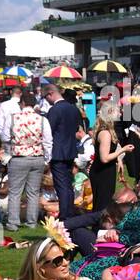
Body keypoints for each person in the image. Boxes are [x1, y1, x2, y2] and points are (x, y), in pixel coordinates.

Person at [1, 93, 51, 230]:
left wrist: (9, 150)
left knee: (15, 192)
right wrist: (47, 158)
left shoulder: (12, 118)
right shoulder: (42, 120)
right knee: (33, 192)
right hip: (37, 157)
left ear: (22, 103)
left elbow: (5, 136)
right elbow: (47, 141)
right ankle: (31, 222)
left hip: (18, 157)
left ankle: (13, 223)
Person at [45, 85, 84, 218]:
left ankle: (65, 214)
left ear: (51, 94)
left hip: (58, 152)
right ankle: (69, 211)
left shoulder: (55, 110)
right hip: (70, 149)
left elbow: (48, 131)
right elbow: (76, 128)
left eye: (47, 97)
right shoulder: (73, 109)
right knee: (68, 184)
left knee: (61, 185)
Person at [89, 103, 133, 211]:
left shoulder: (108, 130)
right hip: (102, 172)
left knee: (105, 201)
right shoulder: (105, 134)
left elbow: (112, 149)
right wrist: (123, 150)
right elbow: (104, 158)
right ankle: (99, 225)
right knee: (102, 203)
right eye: (117, 111)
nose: (120, 113)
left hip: (106, 170)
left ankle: (101, 225)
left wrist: (119, 160)